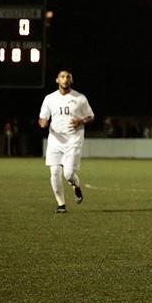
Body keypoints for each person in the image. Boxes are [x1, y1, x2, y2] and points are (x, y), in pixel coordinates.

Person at [38, 70, 94, 213]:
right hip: (55, 140)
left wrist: (80, 121)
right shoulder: (49, 98)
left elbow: (90, 116)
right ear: (57, 80)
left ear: (71, 80)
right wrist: (43, 122)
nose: (65, 79)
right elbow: (42, 118)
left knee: (68, 174)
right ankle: (61, 204)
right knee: (55, 173)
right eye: (62, 76)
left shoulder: (80, 98)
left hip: (73, 140)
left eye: (68, 76)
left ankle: (76, 185)